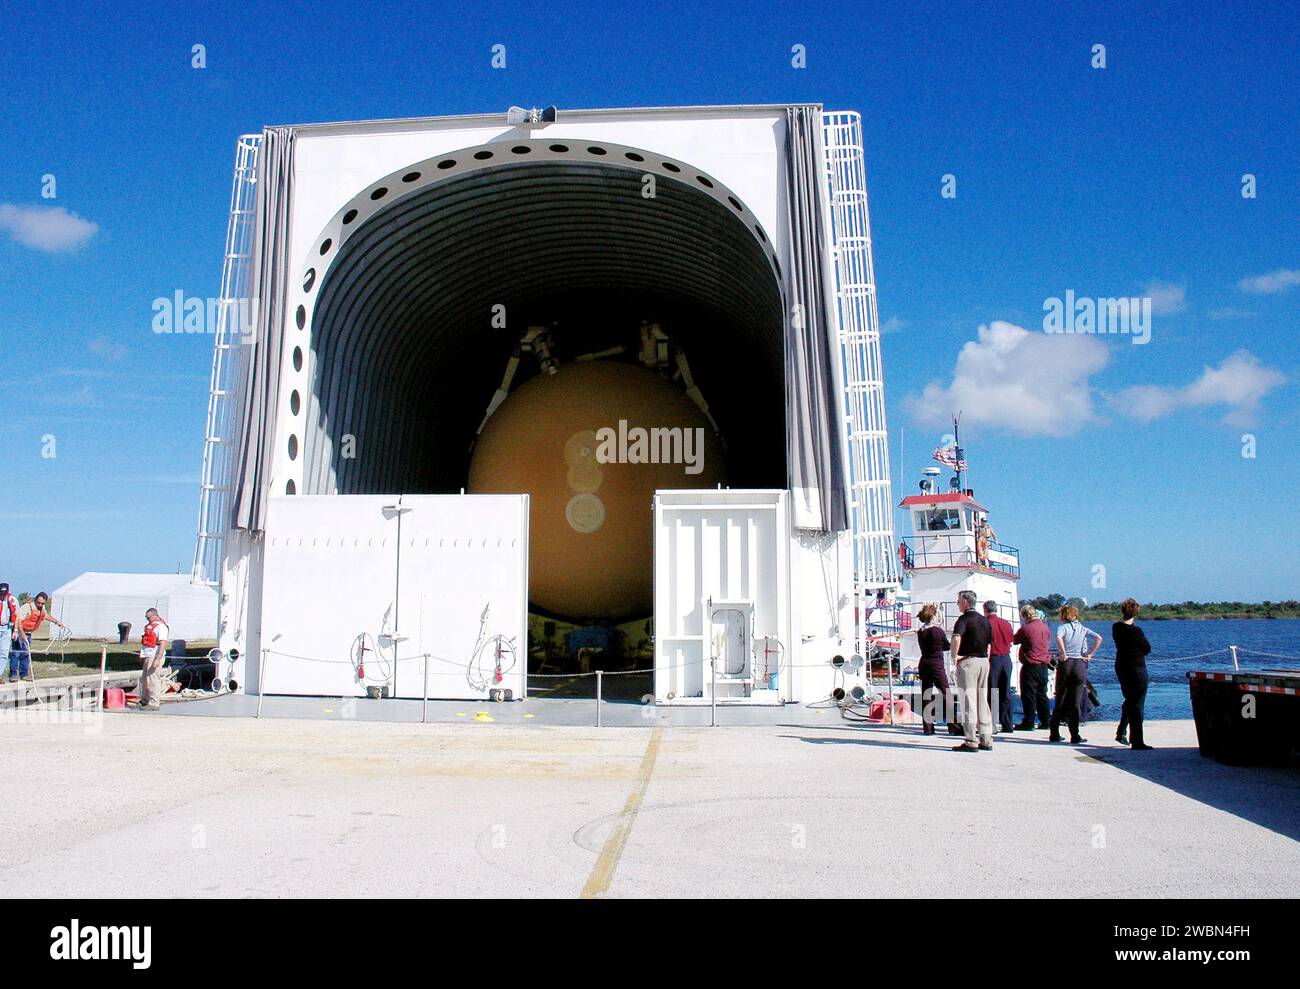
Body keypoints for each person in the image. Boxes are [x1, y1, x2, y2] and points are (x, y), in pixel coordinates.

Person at [1049, 605, 1102, 744]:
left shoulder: (1063, 628)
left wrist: (1063, 652)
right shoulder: (1083, 628)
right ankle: (1075, 734)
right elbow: (1098, 637)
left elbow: (1059, 637)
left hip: (1066, 663)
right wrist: (1090, 654)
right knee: (1076, 701)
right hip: (1079, 663)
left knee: (1060, 697)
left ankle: (1054, 732)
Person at [950, 589, 993, 752]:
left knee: (969, 701)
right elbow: (990, 642)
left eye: (959, 601)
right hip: (984, 661)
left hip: (968, 661)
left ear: (966, 602)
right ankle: (986, 738)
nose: (958, 604)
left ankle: (971, 739)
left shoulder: (964, 619)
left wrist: (954, 656)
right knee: (982, 699)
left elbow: (956, 638)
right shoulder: (985, 620)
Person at [1113, 598, 1154, 750]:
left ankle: (1122, 730)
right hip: (1136, 668)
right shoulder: (1135, 631)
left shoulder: (1116, 627)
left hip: (1121, 666)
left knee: (1130, 699)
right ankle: (1137, 740)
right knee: (1137, 704)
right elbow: (1147, 648)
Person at [9, 591, 68, 684]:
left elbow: (45, 616)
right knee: (16, 653)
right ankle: (13, 675)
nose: (40, 604)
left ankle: (24, 674)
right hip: (20, 632)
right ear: (35, 600)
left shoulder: (42, 609)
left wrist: (57, 622)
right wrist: (22, 634)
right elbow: (18, 620)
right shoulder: (26, 607)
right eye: (39, 602)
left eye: (42, 603)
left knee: (26, 654)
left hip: (28, 633)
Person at [1013, 604, 1053, 730]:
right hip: (1043, 666)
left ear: (1025, 616)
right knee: (1042, 694)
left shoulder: (1026, 628)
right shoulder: (1045, 628)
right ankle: (1045, 721)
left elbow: (1015, 640)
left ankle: (1029, 721)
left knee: (1028, 695)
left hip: (1030, 665)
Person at [915, 603, 951, 736]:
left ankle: (928, 728)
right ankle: (953, 726)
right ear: (934, 616)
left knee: (926, 696)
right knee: (946, 693)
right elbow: (946, 646)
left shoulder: (920, 632)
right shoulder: (937, 631)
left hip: (924, 663)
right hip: (936, 664)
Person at [983, 600, 1015, 733]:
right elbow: (1011, 640)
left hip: (993, 659)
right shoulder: (1006, 623)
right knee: (1005, 692)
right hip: (1006, 658)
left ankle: (991, 724)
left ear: (985, 610)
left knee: (991, 692)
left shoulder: (986, 623)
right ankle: (1007, 723)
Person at [137, 607, 170, 710]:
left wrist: (157, 659)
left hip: (155, 656)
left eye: (148, 617)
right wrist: (142, 655)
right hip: (148, 655)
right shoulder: (149, 626)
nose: (147, 619)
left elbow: (163, 643)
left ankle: (154, 702)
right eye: (146, 617)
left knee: (153, 679)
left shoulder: (161, 627)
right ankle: (144, 699)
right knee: (144, 679)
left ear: (155, 616)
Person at [0, 582, 18, 685]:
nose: (2, 596)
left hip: (7, 628)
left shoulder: (12, 600)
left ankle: (0, 674)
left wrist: (15, 630)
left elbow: (16, 615)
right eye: (0, 594)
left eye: (4, 594)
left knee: (4, 653)